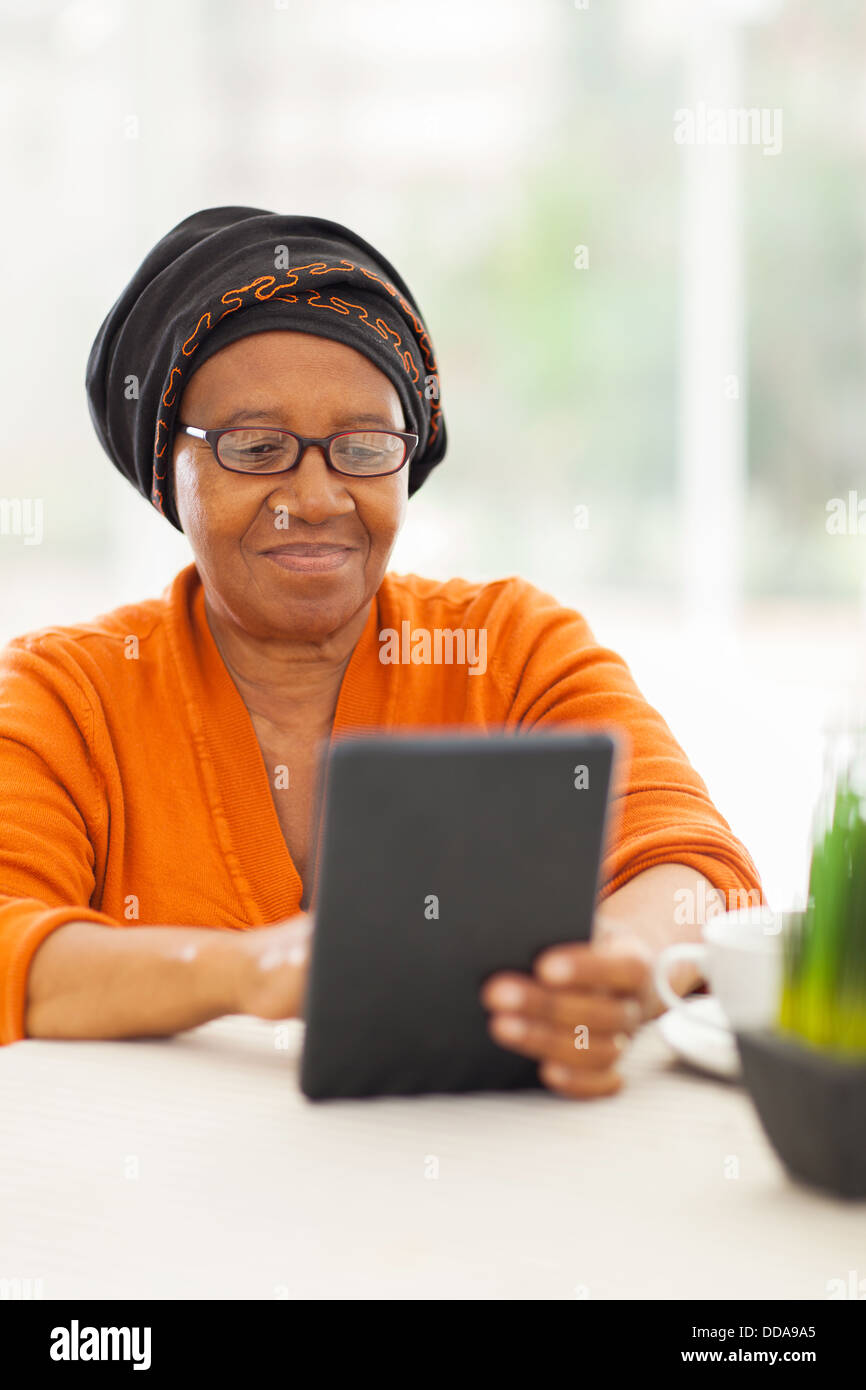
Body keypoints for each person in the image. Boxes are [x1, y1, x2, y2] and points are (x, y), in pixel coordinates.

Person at [0, 206, 763, 1098]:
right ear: (170, 471)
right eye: (256, 448)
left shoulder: (508, 648)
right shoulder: (64, 695)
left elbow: (701, 871)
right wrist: (245, 971)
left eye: (364, 447)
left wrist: (616, 963)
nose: (317, 496)